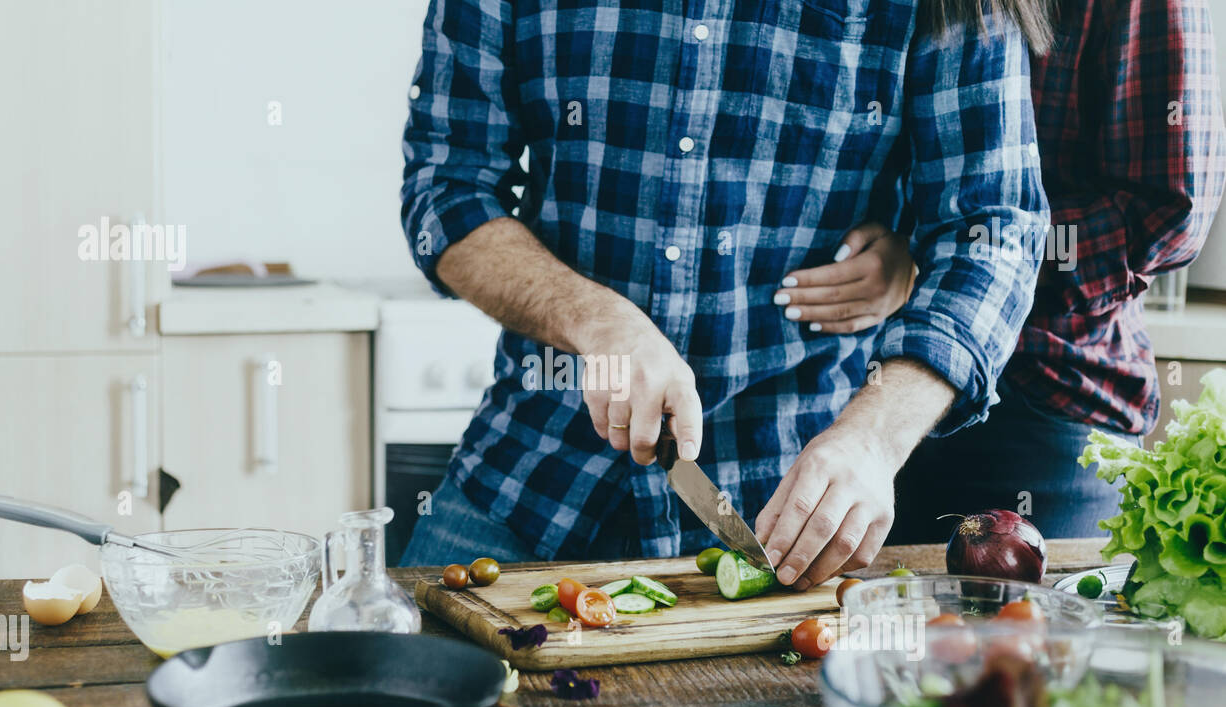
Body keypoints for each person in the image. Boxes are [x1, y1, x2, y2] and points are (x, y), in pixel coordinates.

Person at [398, 0, 1051, 588]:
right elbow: (446, 187)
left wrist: (873, 441)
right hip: (527, 485)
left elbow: (994, 232)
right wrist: (595, 319)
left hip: (790, 521)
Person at [775, 0, 1226, 542]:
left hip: (1045, 397)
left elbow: (1165, 212)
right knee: (870, 619)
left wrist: (930, 264)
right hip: (868, 385)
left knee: (1023, 621)